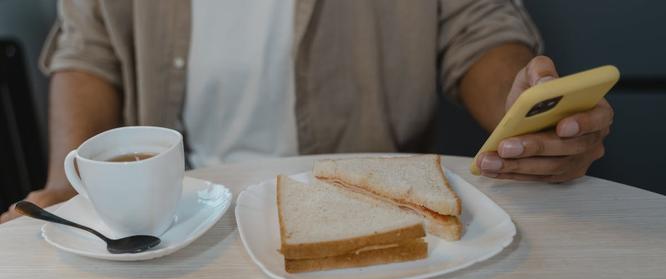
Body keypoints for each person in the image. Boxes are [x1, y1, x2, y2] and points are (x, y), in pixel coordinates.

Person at [0, 0, 613, 223]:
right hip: (180, 215)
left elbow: (479, 27)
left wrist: (524, 107)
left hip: (368, 209)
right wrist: (65, 184)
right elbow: (90, 48)